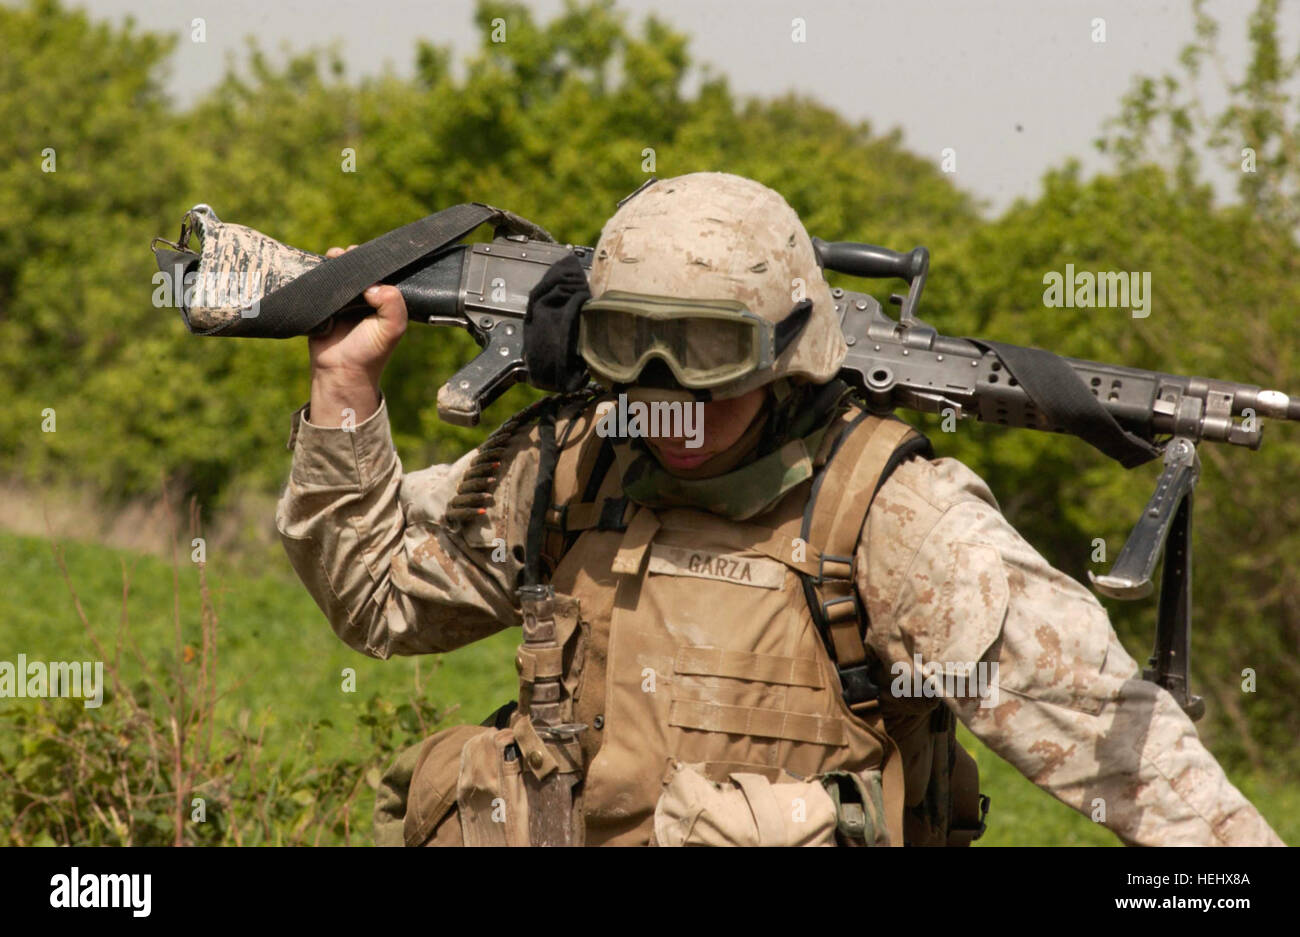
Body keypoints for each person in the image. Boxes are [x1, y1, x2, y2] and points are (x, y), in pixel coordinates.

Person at [275, 171, 1283, 847]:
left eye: (710, 352)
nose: (670, 391)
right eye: (630, 344)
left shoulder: (893, 521)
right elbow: (376, 600)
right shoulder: (570, 470)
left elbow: (1143, 767)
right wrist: (346, 391)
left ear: (790, 346)